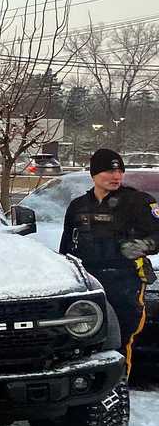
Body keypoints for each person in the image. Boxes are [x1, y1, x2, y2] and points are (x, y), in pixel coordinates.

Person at [60, 147, 159, 375]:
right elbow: (65, 247)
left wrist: (143, 245)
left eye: (119, 172)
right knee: (82, 339)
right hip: (87, 283)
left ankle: (118, 391)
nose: (116, 177)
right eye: (108, 171)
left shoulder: (138, 202)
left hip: (125, 282)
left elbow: (157, 234)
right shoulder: (78, 206)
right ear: (93, 174)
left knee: (121, 339)